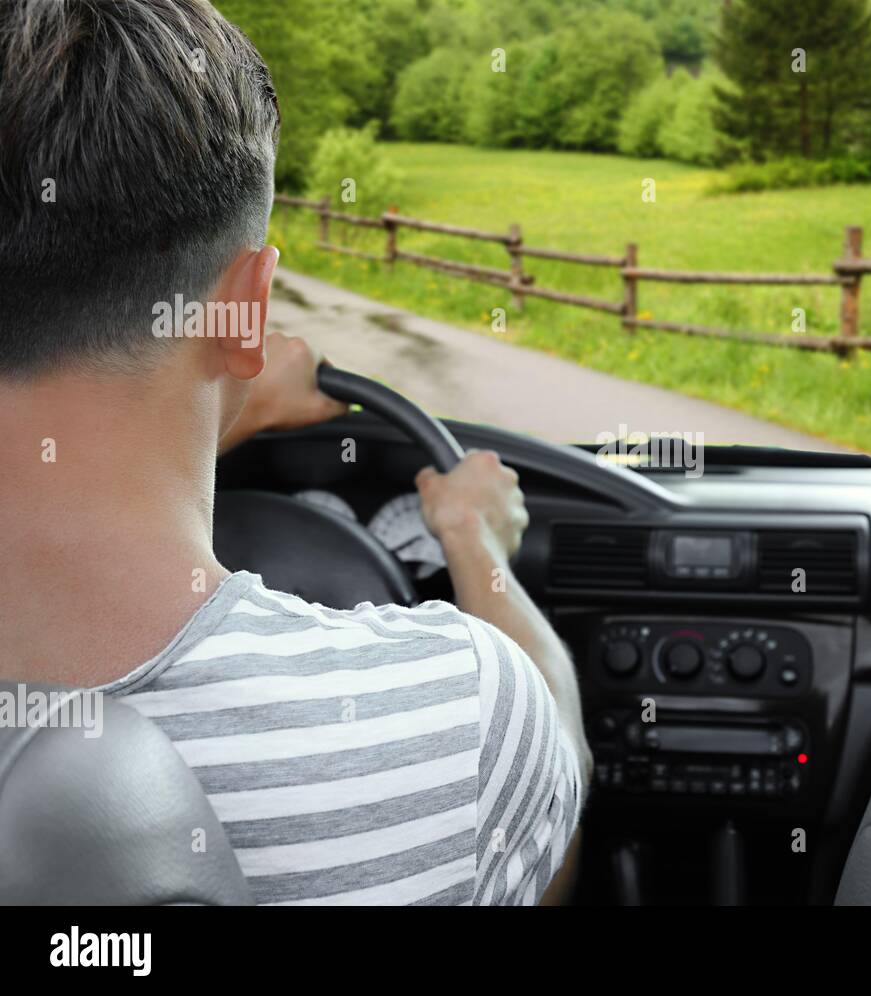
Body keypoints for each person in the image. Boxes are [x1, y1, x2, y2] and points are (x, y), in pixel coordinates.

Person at [0, 0, 590, 905]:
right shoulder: (459, 717)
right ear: (252, 303)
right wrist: (475, 543)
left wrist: (224, 406)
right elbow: (557, 797)